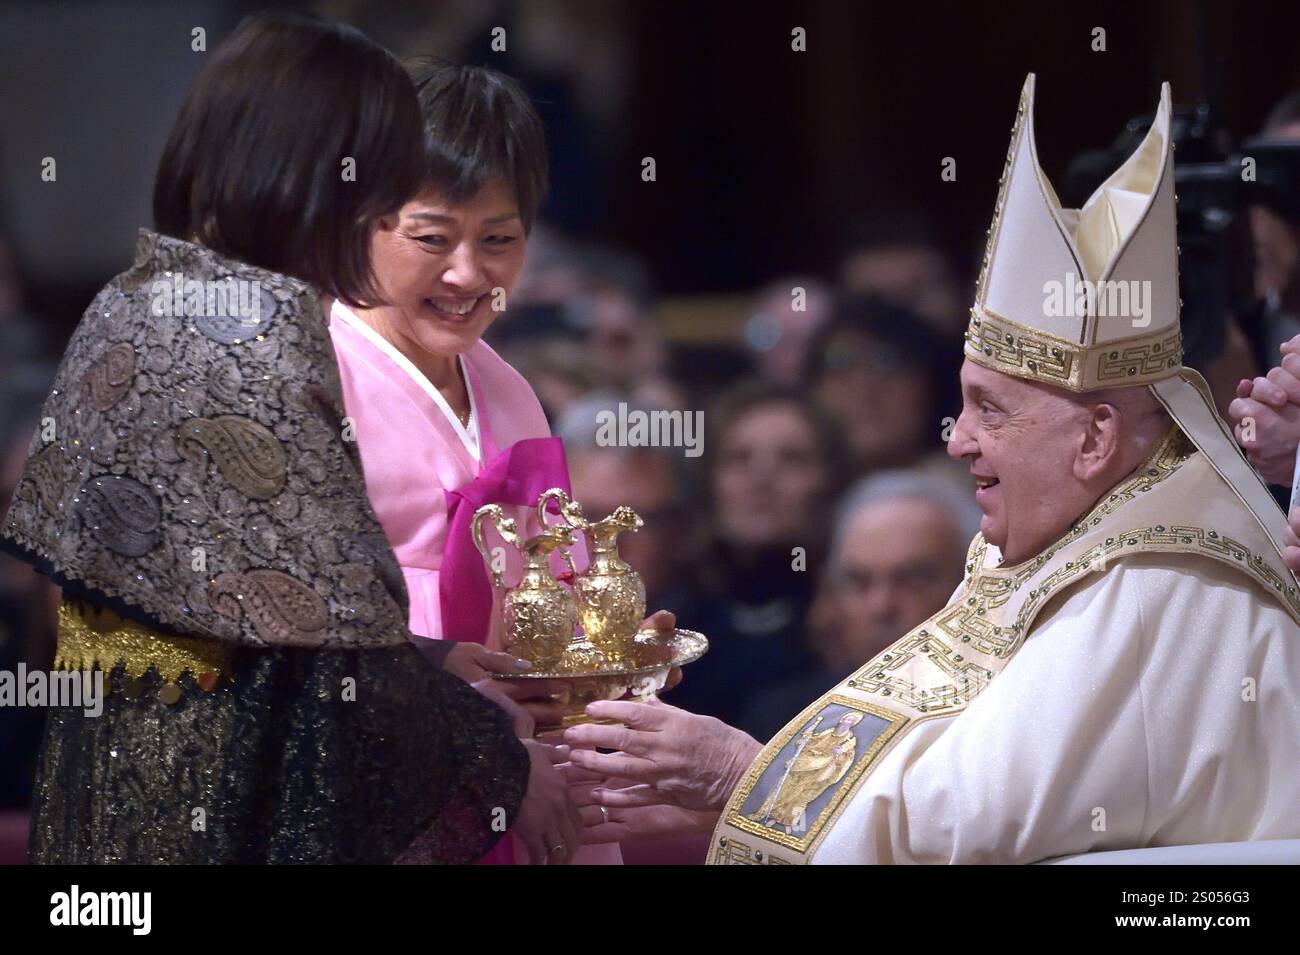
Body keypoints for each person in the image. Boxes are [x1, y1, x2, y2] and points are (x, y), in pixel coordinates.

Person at [564, 75, 1300, 864]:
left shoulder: (1157, 581)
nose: (959, 440)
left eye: (991, 409)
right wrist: (725, 800)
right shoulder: (1067, 545)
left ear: (1095, 438)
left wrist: (740, 775)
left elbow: (969, 818)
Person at [0, 12, 568, 864]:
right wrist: (505, 763)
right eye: (375, 173)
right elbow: (332, 660)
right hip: (230, 792)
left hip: (117, 774)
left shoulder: (136, 294)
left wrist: (444, 658)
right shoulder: (260, 331)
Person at [328, 59, 677, 864]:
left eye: (498, 240)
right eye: (431, 238)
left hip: (527, 776)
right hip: (376, 780)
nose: (467, 274)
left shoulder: (512, 391)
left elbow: (554, 593)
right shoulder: (313, 380)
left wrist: (611, 655)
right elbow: (289, 633)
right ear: (360, 221)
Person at [739, 470, 976, 742]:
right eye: (858, 582)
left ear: (969, 584)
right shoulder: (782, 724)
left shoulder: (997, 717)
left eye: (912, 580)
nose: (881, 607)